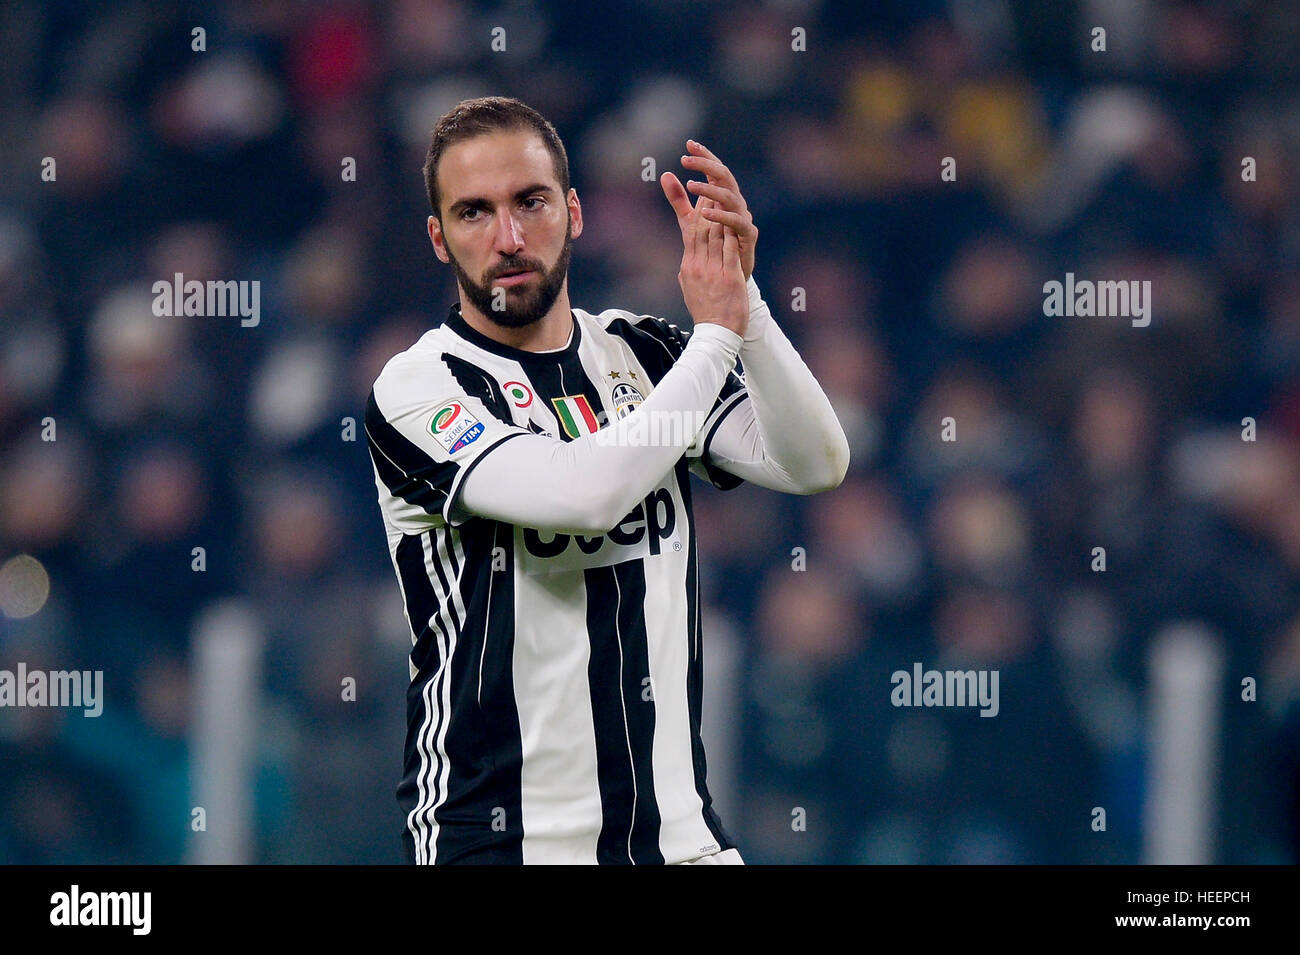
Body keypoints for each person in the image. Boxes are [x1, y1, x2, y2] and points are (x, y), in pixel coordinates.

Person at [365, 96, 849, 864]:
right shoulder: (419, 389)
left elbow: (813, 461)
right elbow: (584, 496)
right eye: (474, 213)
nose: (510, 237)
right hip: (505, 841)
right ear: (438, 237)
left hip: (680, 839)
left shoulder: (644, 352)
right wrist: (717, 335)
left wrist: (744, 302)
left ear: (576, 211)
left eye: (531, 202)